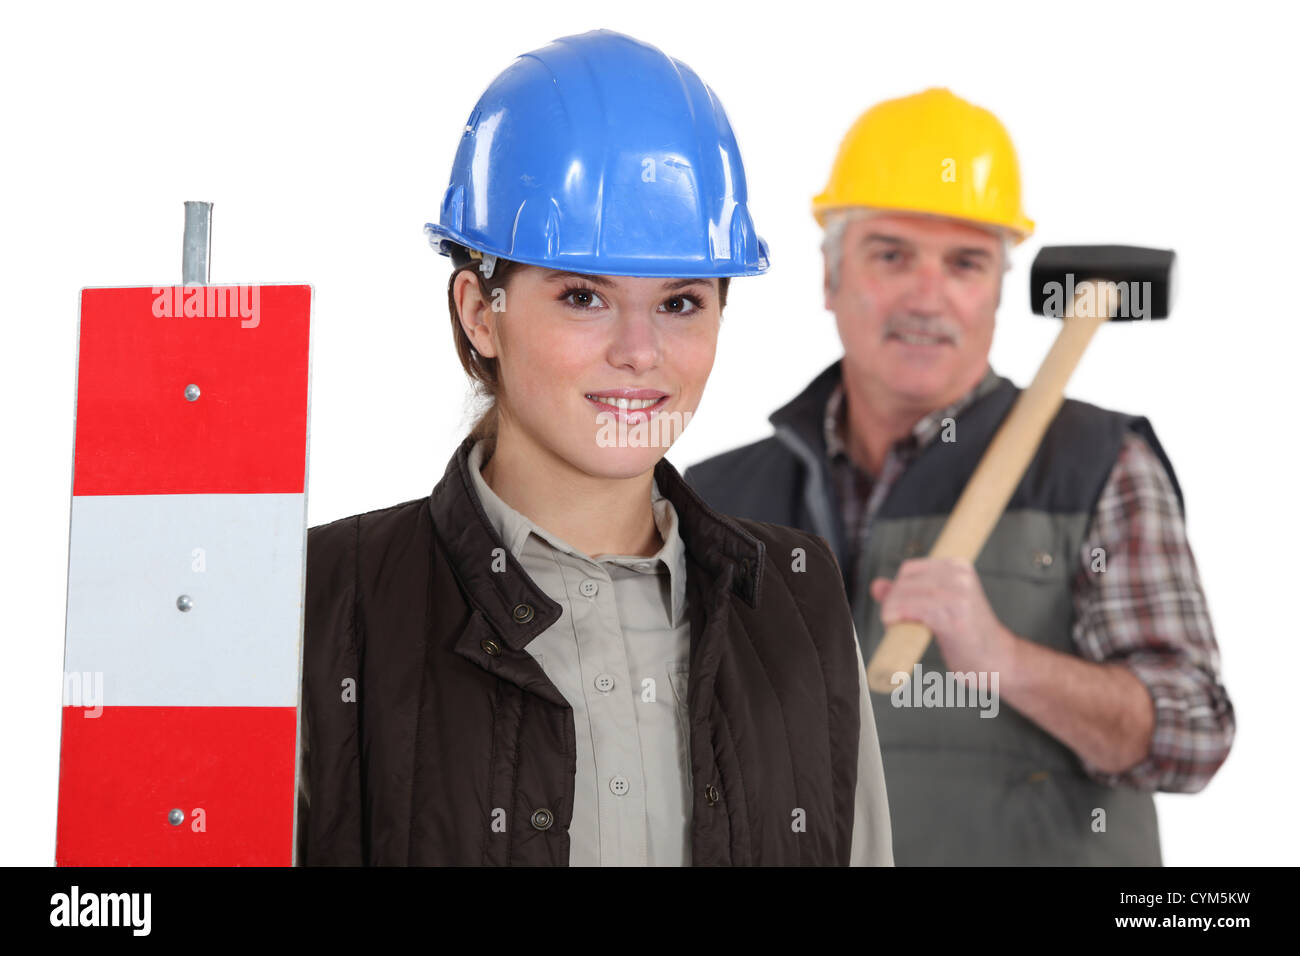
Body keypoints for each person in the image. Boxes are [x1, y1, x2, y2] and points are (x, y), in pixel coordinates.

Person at [296, 29, 892, 866]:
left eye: (681, 302)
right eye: (583, 296)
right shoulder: (327, 600)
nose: (640, 352)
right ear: (479, 311)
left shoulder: (796, 602)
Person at [684, 88, 1234, 865]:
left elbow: (1195, 734)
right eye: (891, 254)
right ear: (830, 275)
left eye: (965, 262)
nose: (927, 295)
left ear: (998, 291)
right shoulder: (715, 497)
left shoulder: (1098, 465)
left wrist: (1005, 659)